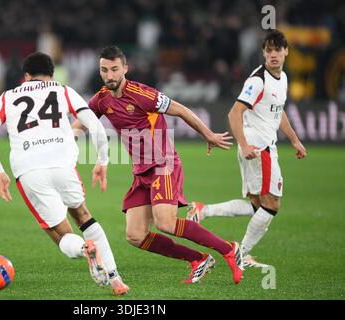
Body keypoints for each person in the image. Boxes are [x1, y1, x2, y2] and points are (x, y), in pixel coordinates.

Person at [72, 46, 244, 284]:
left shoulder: (143, 94)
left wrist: (208, 135)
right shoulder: (101, 99)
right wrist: (60, 143)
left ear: (125, 68)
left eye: (114, 69)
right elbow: (80, 125)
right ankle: (198, 259)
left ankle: (228, 249)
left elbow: (181, 110)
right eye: (104, 70)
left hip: (164, 164)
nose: (109, 75)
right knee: (135, 235)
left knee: (165, 222)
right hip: (141, 172)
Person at [0, 52, 129, 296]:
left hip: (29, 170)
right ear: (51, 74)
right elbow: (96, 126)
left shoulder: (8, 97)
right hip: (63, 165)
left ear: (25, 76)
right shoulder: (64, 90)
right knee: (83, 215)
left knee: (59, 233)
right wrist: (103, 160)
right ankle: (115, 279)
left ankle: (84, 249)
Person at [187, 30, 307, 267]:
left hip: (259, 147)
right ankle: (242, 252)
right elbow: (235, 113)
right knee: (272, 204)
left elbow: (278, 110)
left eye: (277, 50)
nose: (273, 55)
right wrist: (244, 144)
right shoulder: (258, 79)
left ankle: (204, 210)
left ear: (286, 52)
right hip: (257, 147)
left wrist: (294, 139)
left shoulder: (281, 78)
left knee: (257, 205)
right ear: (263, 52)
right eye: (269, 50)